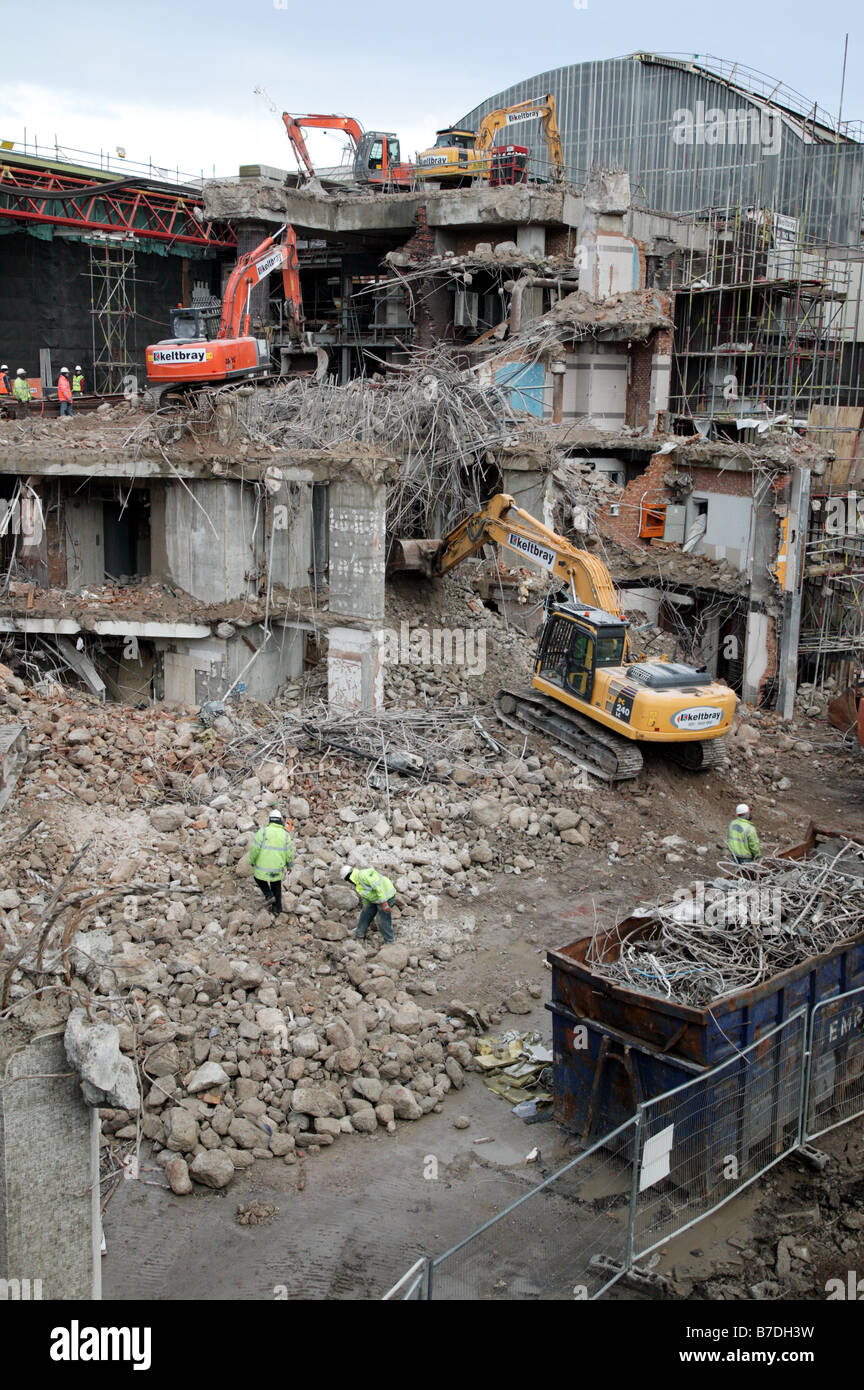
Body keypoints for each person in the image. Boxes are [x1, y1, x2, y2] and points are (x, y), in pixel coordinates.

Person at [248, 809, 294, 915]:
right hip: (277, 869)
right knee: (276, 885)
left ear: (270, 820)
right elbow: (289, 853)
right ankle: (277, 909)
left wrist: (251, 860)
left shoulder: (263, 831)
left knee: (257, 877)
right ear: (280, 820)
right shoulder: (285, 834)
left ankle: (269, 895)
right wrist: (290, 866)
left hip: (262, 868)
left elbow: (255, 848)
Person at [341, 864, 396, 943]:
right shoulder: (357, 882)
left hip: (386, 896)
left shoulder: (362, 876)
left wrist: (384, 903)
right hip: (376, 898)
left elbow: (378, 887)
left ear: (349, 877)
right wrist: (365, 905)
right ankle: (359, 932)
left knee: (382, 919)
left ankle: (390, 941)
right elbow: (366, 895)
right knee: (366, 912)